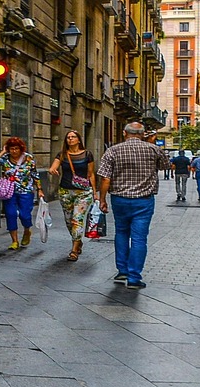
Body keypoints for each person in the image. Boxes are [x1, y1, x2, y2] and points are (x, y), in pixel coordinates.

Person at [97, 121, 169, 289]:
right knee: (139, 238)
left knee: (121, 233)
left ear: (124, 133)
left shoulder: (112, 150)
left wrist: (102, 199)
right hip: (143, 201)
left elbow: (105, 178)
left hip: (119, 199)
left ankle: (122, 270)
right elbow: (166, 166)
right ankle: (134, 278)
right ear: (143, 134)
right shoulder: (154, 149)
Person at [48, 129, 97, 262]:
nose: (70, 139)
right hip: (65, 191)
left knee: (77, 219)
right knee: (69, 221)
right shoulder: (62, 154)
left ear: (78, 139)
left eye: (73, 137)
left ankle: (74, 250)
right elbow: (53, 167)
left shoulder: (87, 155)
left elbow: (91, 173)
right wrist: (52, 170)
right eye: (68, 137)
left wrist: (95, 192)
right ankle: (78, 240)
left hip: (83, 192)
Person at [0, 137, 44, 250]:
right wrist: (3, 151)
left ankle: (27, 230)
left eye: (16, 148)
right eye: (11, 149)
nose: (14, 151)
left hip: (26, 191)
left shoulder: (29, 158)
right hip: (9, 191)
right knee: (11, 214)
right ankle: (14, 241)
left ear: (21, 149)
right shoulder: (5, 158)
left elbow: (35, 175)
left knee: (25, 215)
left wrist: (39, 189)